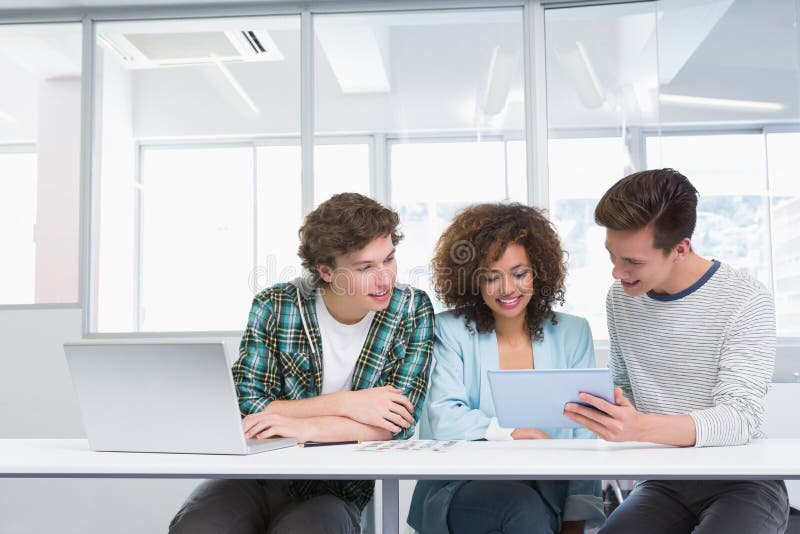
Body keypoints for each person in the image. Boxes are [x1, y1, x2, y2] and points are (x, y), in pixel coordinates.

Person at [169, 192, 434, 534]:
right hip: (257, 472)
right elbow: (246, 407)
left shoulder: (411, 309)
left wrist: (305, 429)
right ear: (325, 270)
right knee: (198, 527)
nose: (384, 278)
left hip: (335, 486)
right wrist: (347, 404)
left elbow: (398, 424)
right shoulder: (276, 304)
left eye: (389, 259)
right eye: (365, 267)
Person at [563, 168, 790, 533]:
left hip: (743, 481)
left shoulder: (746, 299)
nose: (617, 272)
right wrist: (606, 412)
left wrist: (639, 427)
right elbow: (626, 386)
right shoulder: (621, 298)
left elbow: (740, 418)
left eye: (633, 262)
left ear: (680, 249)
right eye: (612, 255)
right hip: (664, 482)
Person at [407, 202, 605, 534]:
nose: (508, 289)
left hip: (546, 496)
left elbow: (587, 432)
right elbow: (444, 418)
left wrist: (575, 520)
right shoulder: (450, 330)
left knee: (531, 510)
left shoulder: (573, 332)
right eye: (491, 277)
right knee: (521, 507)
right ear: (472, 279)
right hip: (462, 487)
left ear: (538, 272)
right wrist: (509, 432)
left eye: (519, 273)